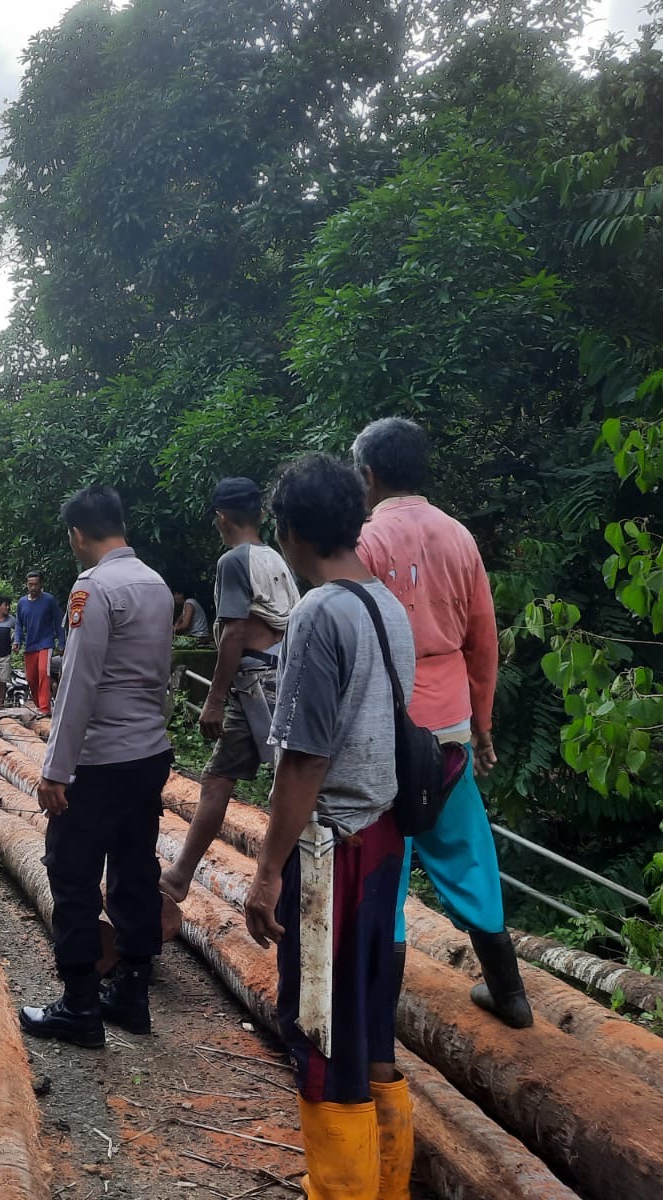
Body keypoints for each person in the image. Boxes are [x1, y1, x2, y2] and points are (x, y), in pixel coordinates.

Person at [242, 453, 414, 1200]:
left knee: (320, 1029)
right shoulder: (387, 605)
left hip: (331, 849)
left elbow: (304, 763)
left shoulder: (318, 614)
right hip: (384, 840)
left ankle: (340, 1190)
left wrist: (266, 870)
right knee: (372, 1027)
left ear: (289, 531)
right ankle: (388, 1182)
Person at [353, 417, 531, 1029]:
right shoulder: (459, 537)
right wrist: (482, 725)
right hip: (451, 725)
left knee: (386, 860)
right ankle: (510, 993)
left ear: (369, 475)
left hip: (389, 727)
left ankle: (378, 1019)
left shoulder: (366, 542)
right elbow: (484, 642)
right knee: (465, 849)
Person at [19, 486, 173, 1047]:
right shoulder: (155, 584)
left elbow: (79, 684)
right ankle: (132, 990)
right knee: (135, 870)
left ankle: (80, 1003)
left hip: (100, 761)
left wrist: (56, 769)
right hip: (149, 753)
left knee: (74, 875)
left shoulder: (93, 588)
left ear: (78, 534)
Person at [161, 477, 300, 902]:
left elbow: (236, 632)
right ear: (260, 514)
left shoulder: (233, 562)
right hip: (283, 676)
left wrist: (214, 699)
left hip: (255, 683)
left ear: (221, 517)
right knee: (236, 778)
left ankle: (190, 877)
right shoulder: (276, 559)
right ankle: (182, 875)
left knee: (246, 781)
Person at [15, 570, 66, 716]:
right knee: (31, 678)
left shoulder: (49, 600)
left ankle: (44, 708)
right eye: (30, 584)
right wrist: (17, 640)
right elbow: (19, 624)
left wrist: (61, 643)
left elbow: (58, 622)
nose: (33, 587)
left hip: (45, 643)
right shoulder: (22, 603)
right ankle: (39, 704)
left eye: (36, 584)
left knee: (44, 672)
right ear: (27, 585)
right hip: (30, 644)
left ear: (41, 584)